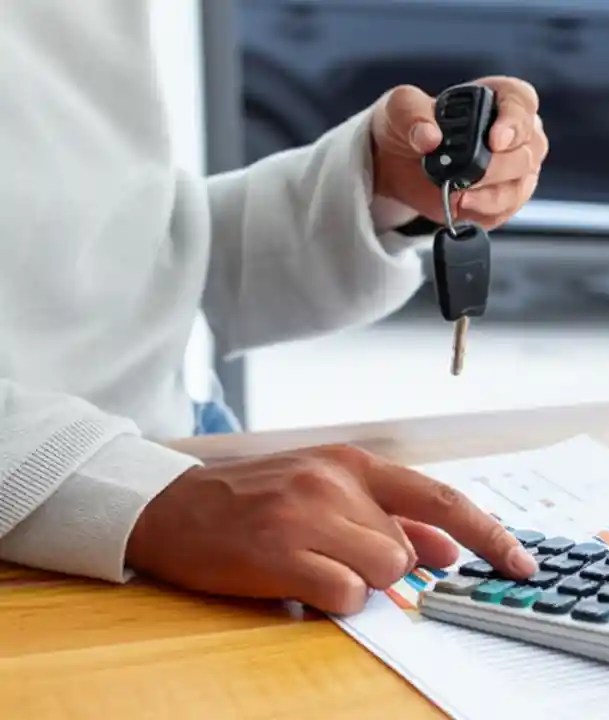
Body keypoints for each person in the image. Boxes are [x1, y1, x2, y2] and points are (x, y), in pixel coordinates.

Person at [0, 2, 548, 614]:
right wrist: (144, 496)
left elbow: (133, 249)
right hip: (87, 535)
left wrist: (377, 186)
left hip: (186, 465)